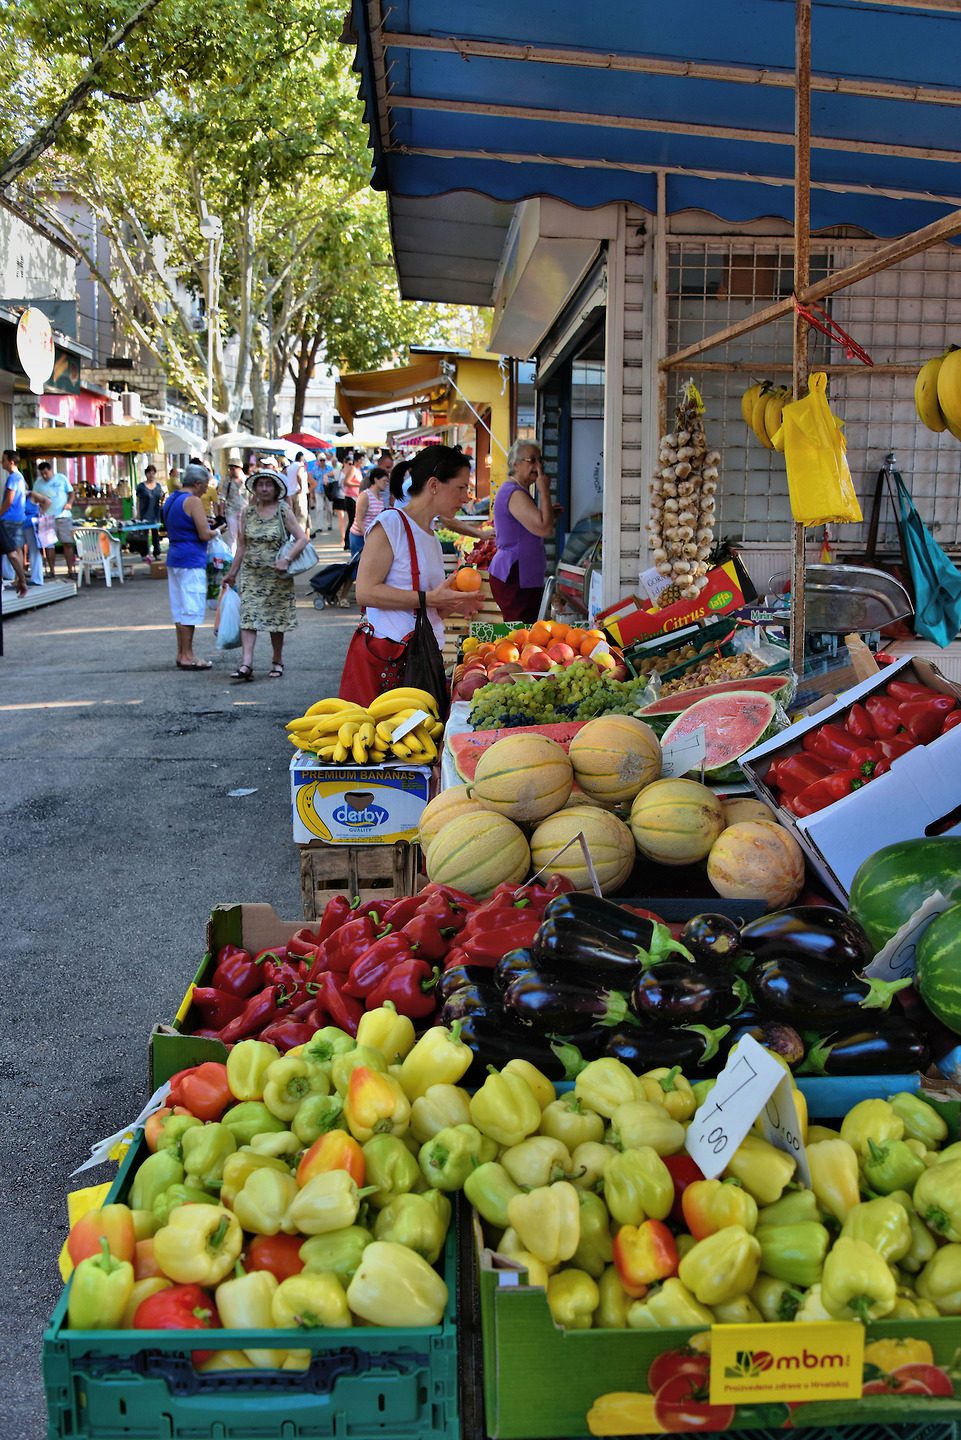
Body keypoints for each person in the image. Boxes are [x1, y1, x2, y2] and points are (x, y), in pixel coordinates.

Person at [348, 446, 483, 700]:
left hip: (423, 659)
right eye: (461, 487)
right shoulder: (391, 524)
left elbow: (426, 609)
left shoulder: (430, 536)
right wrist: (430, 599)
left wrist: (453, 603)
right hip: (390, 662)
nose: (466, 497)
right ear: (434, 485)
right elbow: (365, 592)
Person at [221, 468, 307, 682]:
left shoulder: (283, 510)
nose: (265, 488)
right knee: (248, 618)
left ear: (277, 489)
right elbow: (241, 546)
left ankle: (277, 660)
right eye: (261, 484)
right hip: (251, 575)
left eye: (269, 484)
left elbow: (302, 539)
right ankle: (246, 664)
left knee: (275, 621)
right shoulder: (247, 513)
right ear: (255, 488)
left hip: (278, 576)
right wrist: (232, 574)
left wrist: (286, 559)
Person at [162, 460, 226, 670]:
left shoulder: (172, 498)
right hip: (191, 559)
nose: (207, 488)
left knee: (179, 609)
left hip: (175, 557)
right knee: (190, 609)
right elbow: (204, 534)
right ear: (197, 483)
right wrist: (219, 530)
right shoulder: (193, 501)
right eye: (206, 484)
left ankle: (181, 653)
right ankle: (189, 655)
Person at [488, 439, 557, 622]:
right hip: (515, 575)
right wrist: (544, 492)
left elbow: (534, 525)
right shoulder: (514, 492)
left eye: (540, 460)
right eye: (532, 460)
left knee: (526, 628)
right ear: (515, 464)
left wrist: (548, 511)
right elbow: (544, 528)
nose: (538, 466)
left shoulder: (518, 491)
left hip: (523, 574)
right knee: (520, 630)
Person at [33, 459, 75, 579]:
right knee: (49, 546)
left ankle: (70, 570)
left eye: (46, 473)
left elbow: (71, 493)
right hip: (46, 517)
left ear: (51, 470)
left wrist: (69, 503)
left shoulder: (61, 478)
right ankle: (51, 571)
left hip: (63, 516)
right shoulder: (38, 483)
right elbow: (34, 498)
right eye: (42, 474)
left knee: (67, 543)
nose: (45, 476)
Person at [0, 450, 28, 597]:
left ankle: (19, 579)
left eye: (3, 460)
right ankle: (20, 578)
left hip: (9, 518)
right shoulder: (20, 477)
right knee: (16, 550)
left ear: (11, 461)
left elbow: (9, 500)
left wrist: (0, 513)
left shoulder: (13, 478)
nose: (1, 462)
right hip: (18, 518)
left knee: (12, 552)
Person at [348, 466, 390, 558]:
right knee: (357, 565)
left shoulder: (380, 497)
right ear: (376, 480)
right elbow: (359, 519)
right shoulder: (365, 496)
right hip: (359, 536)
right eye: (384, 481)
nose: (386, 484)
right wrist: (367, 536)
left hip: (371, 536)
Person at [136, 463, 165, 560]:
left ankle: (157, 553)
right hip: (145, 512)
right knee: (144, 534)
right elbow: (138, 500)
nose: (151, 475)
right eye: (149, 473)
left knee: (155, 534)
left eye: (153, 473)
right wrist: (137, 512)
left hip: (155, 512)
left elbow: (160, 499)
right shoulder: (141, 486)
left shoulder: (158, 486)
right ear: (146, 474)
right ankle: (144, 554)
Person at [220, 454, 248, 549]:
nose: (230, 471)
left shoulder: (247, 481)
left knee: (244, 536)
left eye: (232, 468)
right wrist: (221, 513)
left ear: (239, 468)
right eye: (230, 468)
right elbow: (223, 497)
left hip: (244, 511)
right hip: (231, 511)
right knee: (232, 536)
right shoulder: (227, 481)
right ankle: (232, 557)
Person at [339, 451, 363, 550]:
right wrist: (359, 485)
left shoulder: (358, 470)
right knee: (352, 520)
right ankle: (347, 542)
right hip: (350, 497)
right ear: (357, 461)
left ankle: (348, 541)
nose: (363, 462)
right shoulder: (353, 469)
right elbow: (346, 482)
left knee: (353, 519)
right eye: (362, 460)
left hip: (356, 497)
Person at [284, 450, 309, 534]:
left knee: (293, 517)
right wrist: (301, 487)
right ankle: (300, 535)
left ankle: (293, 535)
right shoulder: (300, 466)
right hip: (299, 493)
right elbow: (299, 475)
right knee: (301, 517)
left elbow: (283, 474)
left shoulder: (290, 467)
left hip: (291, 493)